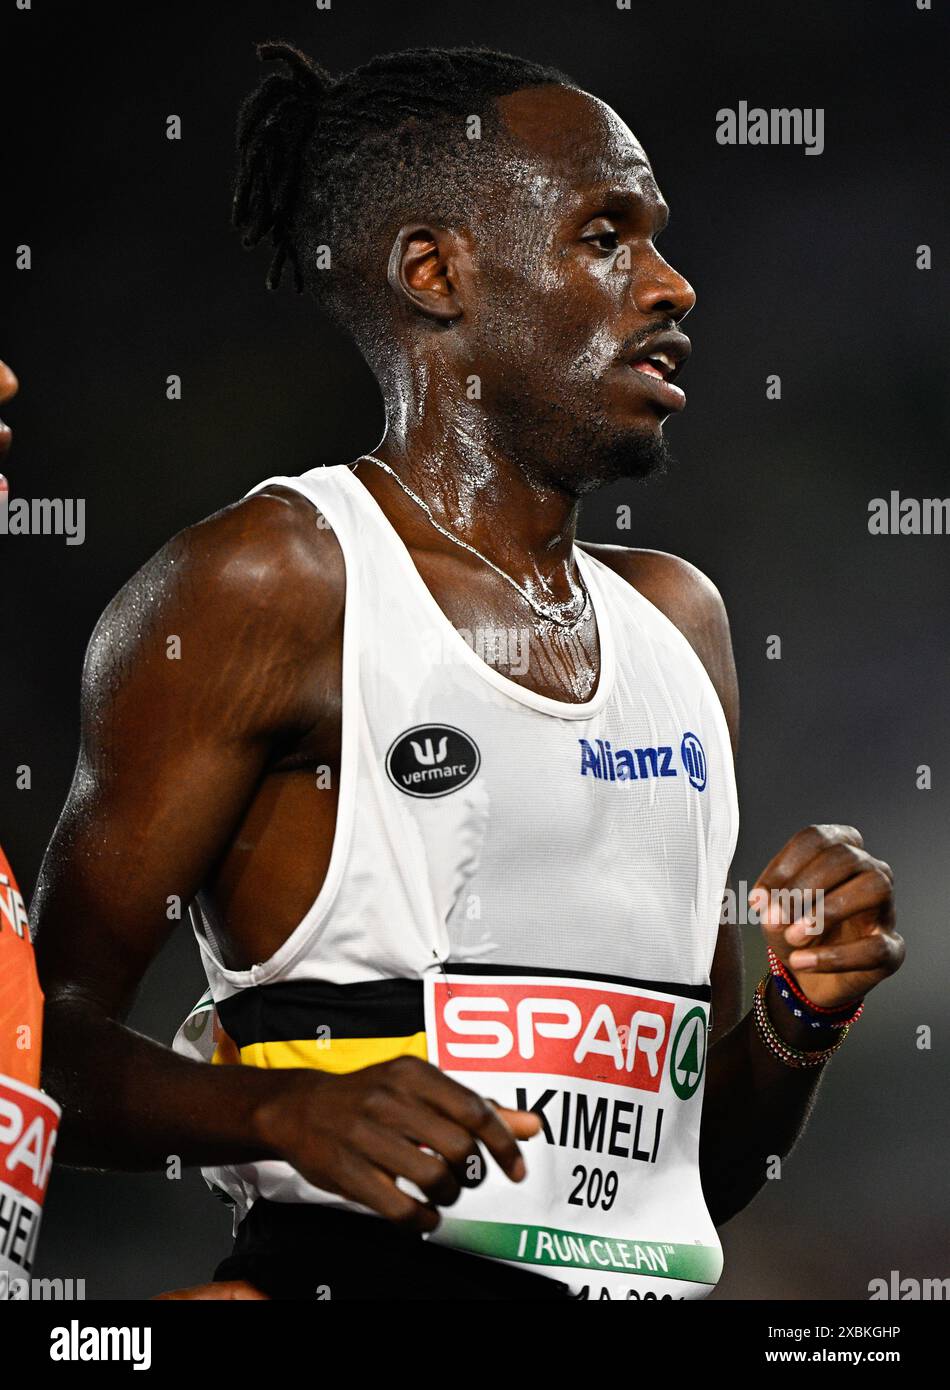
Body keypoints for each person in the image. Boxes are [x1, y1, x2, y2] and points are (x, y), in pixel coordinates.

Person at [32, 44, 904, 1300]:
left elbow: (682, 1181)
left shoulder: (677, 623)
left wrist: (798, 1012)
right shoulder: (271, 585)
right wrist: (274, 1116)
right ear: (436, 274)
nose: (672, 285)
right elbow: (32, 1051)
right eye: (607, 234)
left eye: (658, 239)